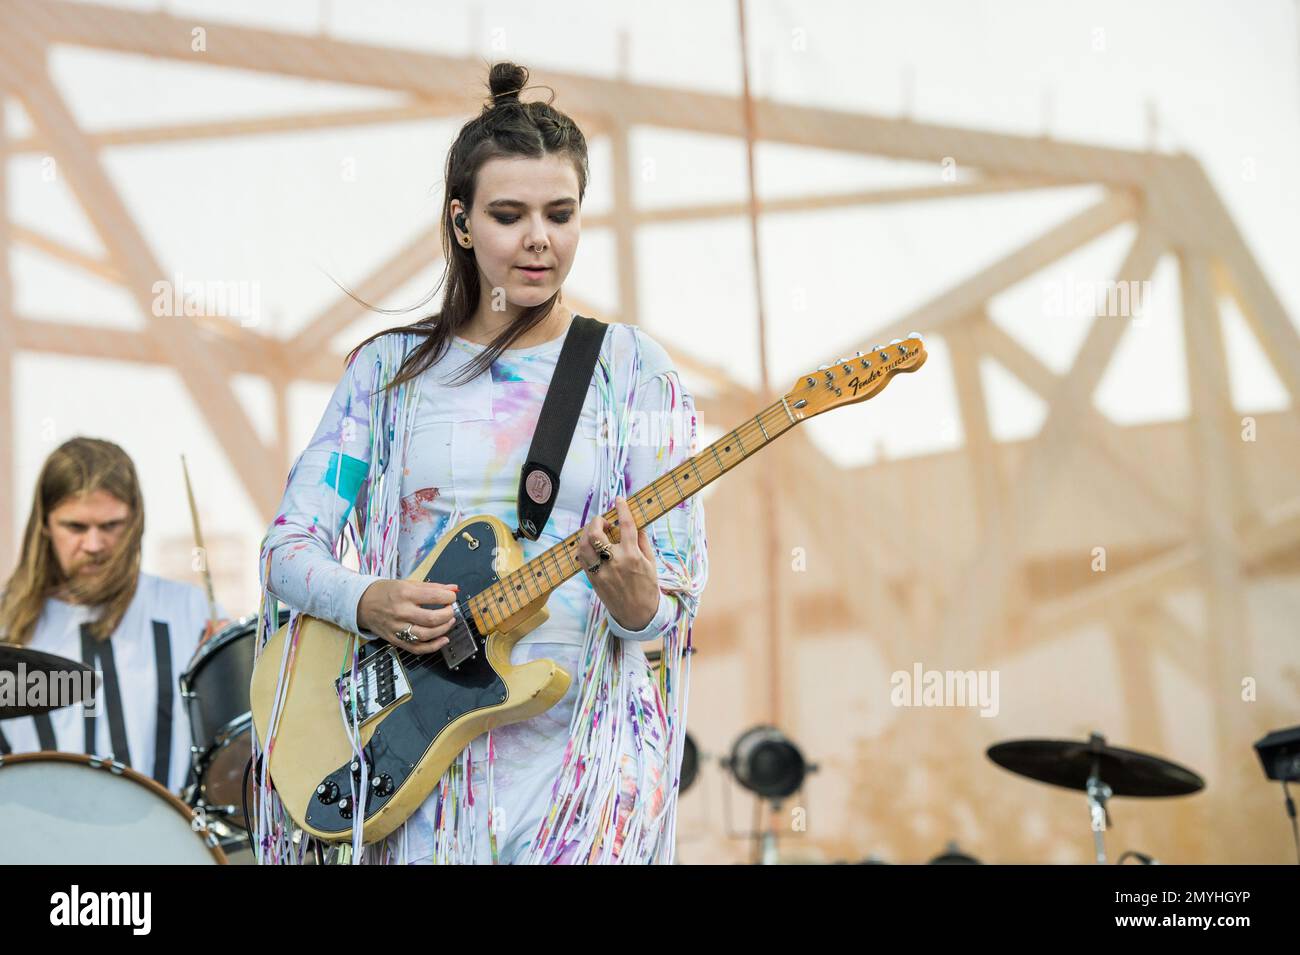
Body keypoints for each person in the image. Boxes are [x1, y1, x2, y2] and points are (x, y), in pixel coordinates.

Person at [255, 61, 708, 865]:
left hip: (585, 769)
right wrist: (369, 600)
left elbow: (676, 587)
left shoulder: (633, 369)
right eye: (509, 214)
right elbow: (287, 551)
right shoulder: (387, 373)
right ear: (462, 223)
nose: (540, 237)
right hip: (417, 760)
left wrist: (642, 604)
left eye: (560, 213)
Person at [0, 437, 224, 794]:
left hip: (168, 840)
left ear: (135, 520)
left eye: (110, 526)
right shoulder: (6, 624)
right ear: (44, 523)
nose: (94, 545)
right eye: (75, 527)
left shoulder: (187, 609)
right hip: (34, 842)